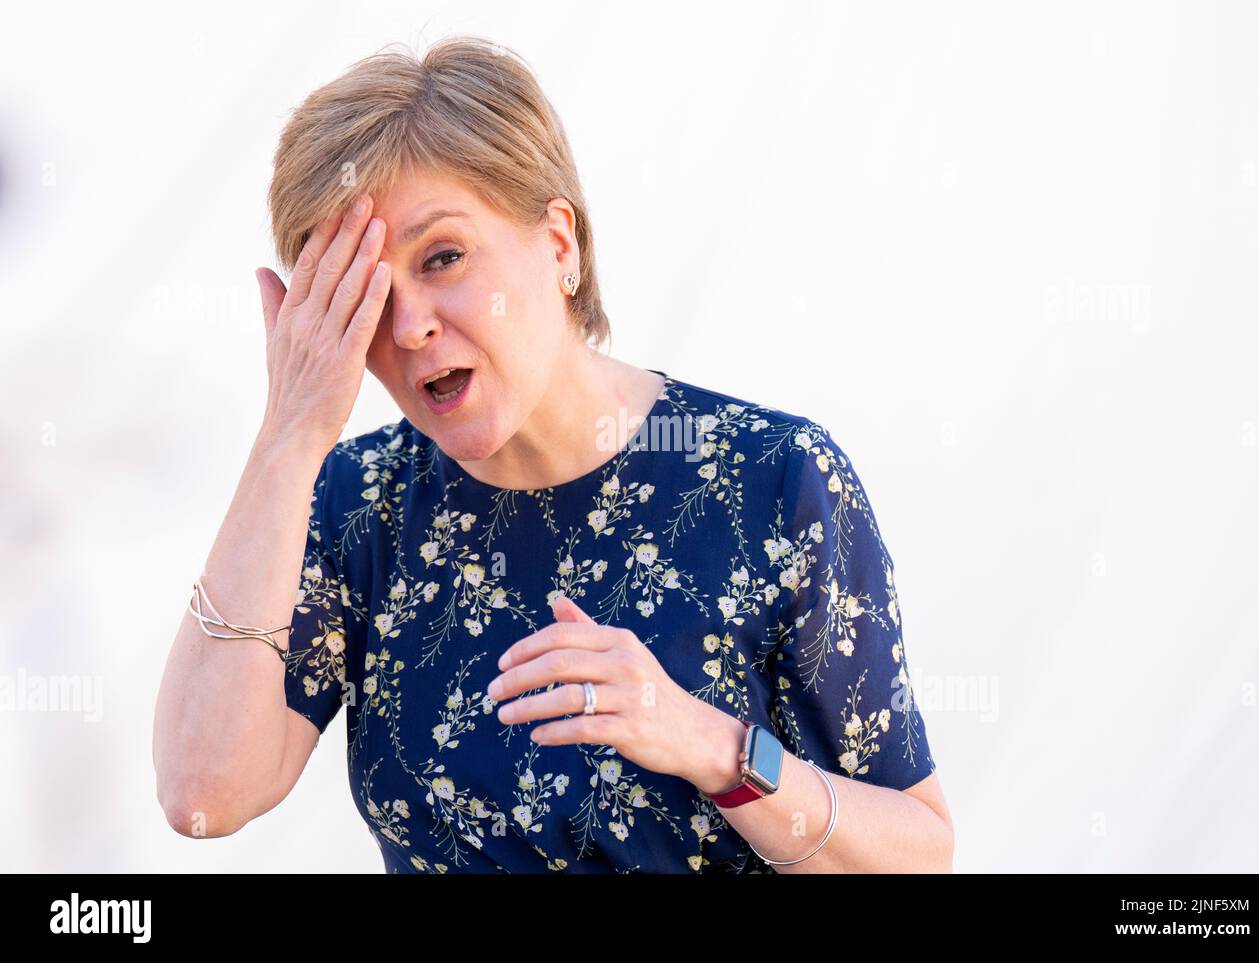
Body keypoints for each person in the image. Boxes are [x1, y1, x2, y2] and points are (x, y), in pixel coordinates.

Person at [151, 35, 954, 873]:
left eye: (444, 257)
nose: (409, 326)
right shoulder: (358, 504)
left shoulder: (776, 480)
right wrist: (288, 436)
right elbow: (204, 794)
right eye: (366, 292)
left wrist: (715, 746)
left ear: (559, 245)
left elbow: (919, 854)